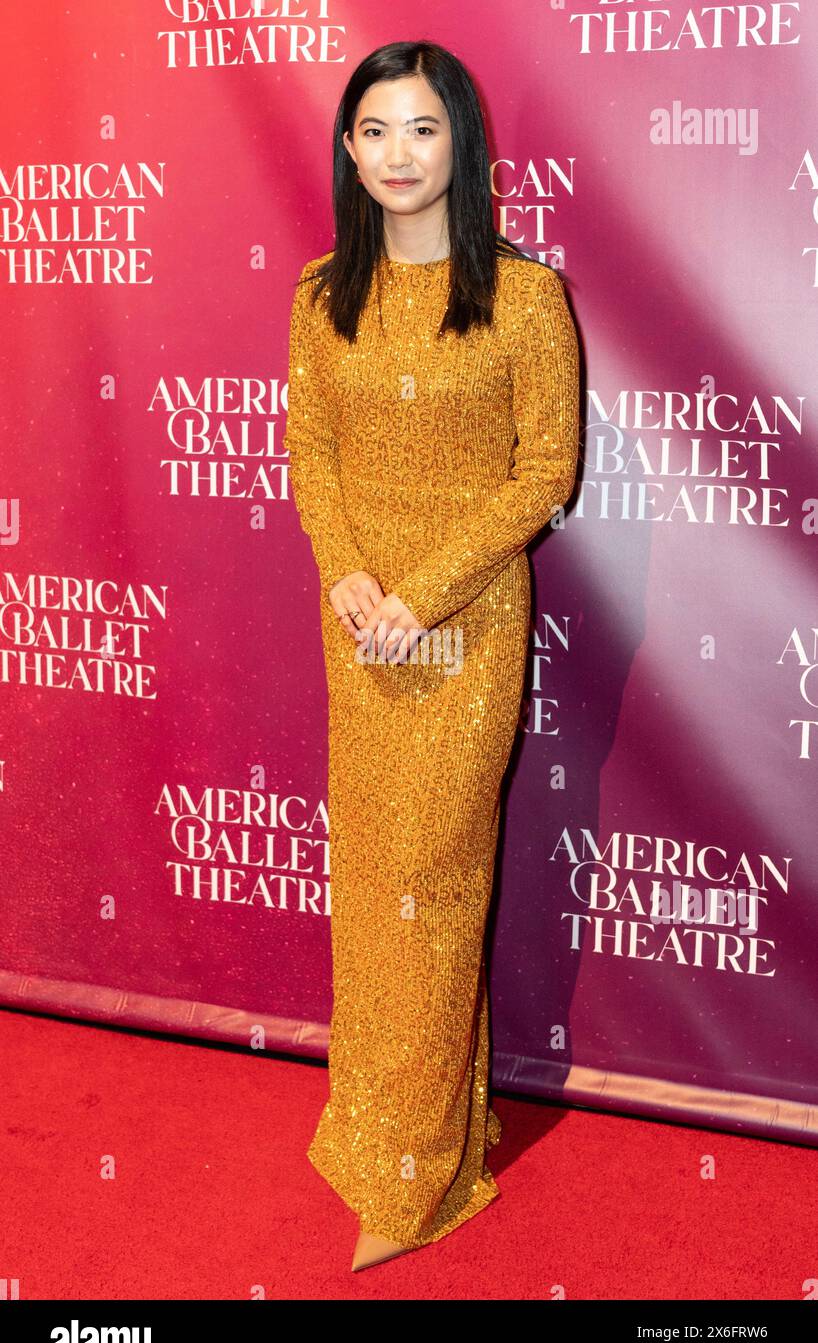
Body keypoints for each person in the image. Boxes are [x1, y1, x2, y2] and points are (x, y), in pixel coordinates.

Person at [282, 40, 580, 1272]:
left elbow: (542, 473)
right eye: (372, 132)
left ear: (462, 142)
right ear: (348, 151)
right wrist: (347, 575)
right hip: (359, 629)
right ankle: (390, 1123)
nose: (396, 156)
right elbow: (314, 455)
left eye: (419, 130)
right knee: (373, 889)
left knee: (437, 881)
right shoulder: (316, 294)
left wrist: (421, 589)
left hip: (462, 629)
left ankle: (416, 1177)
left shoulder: (522, 296)